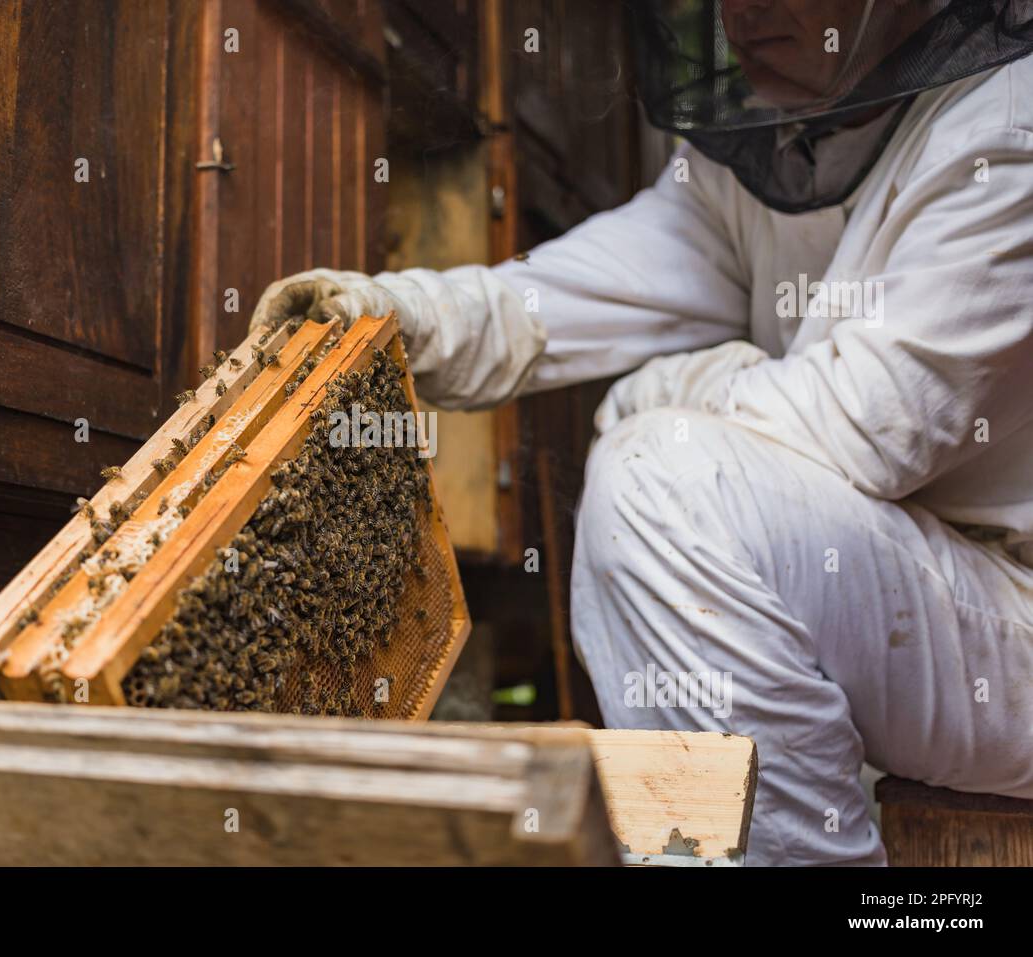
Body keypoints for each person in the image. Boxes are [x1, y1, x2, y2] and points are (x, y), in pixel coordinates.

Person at [251, 0, 1033, 865]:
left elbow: (868, 424)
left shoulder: (1007, 125)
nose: (743, 12)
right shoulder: (768, 148)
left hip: (1010, 625)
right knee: (661, 472)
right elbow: (556, 298)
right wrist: (394, 315)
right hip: (897, 609)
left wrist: (665, 391)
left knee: (662, 484)